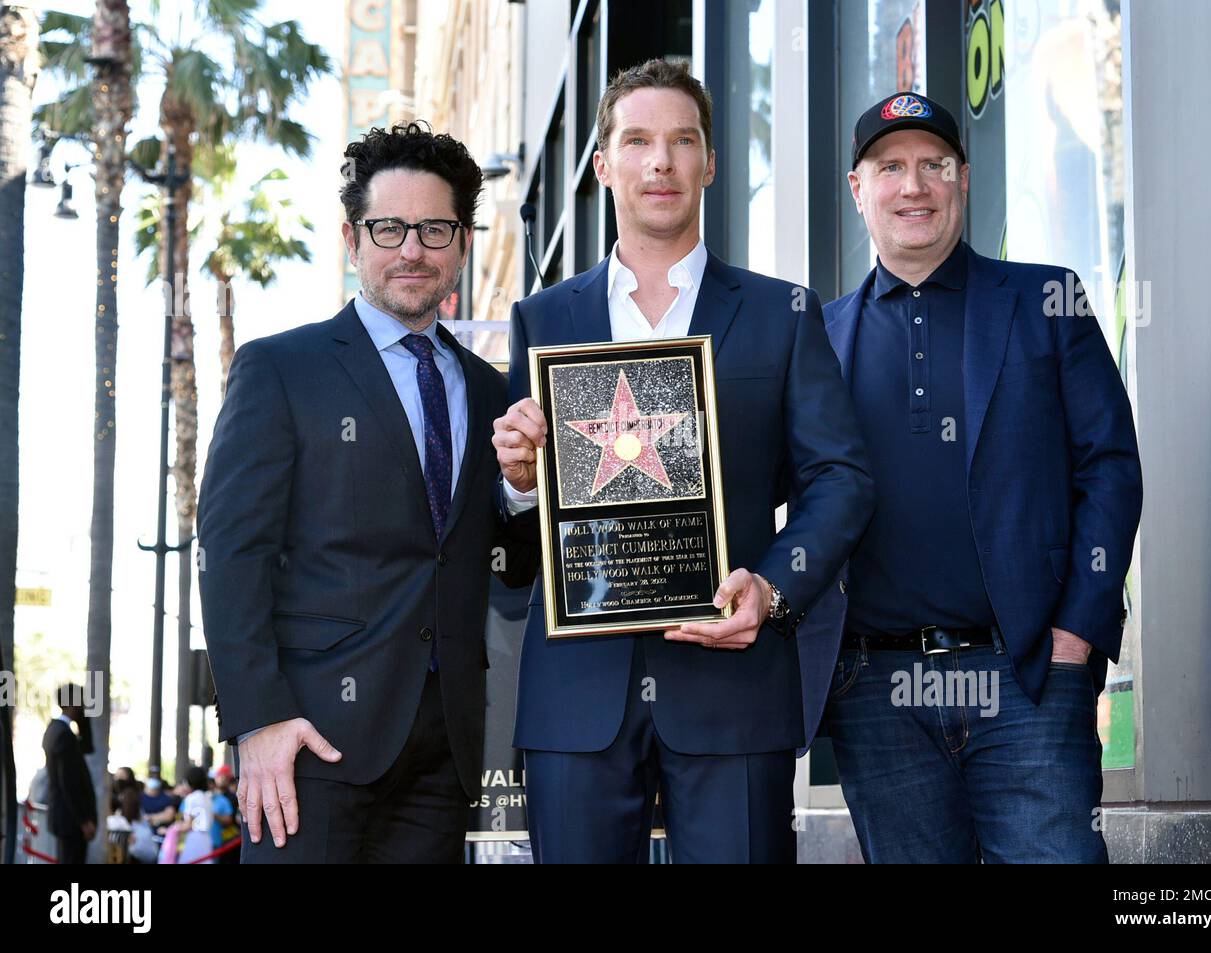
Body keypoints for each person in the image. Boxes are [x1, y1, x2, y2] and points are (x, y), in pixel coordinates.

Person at [493, 59, 874, 863]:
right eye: (637, 141)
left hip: (733, 682)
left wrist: (773, 587)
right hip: (576, 688)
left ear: (708, 163)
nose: (659, 161)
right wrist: (521, 484)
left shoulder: (782, 312)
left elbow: (839, 478)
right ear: (603, 166)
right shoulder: (543, 319)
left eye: (681, 141)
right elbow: (506, 536)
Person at [801, 92, 1143, 862]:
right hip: (877, 691)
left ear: (962, 179)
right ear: (859, 190)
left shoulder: (1044, 301)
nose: (913, 185)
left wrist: (1076, 635)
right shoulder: (816, 337)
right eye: (890, 167)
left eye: (934, 165)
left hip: (1026, 676)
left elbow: (1111, 468)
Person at [198, 120, 540, 863]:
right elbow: (231, 552)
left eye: (434, 228)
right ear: (352, 241)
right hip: (309, 743)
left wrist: (521, 492)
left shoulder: (494, 393)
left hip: (445, 752)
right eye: (389, 228)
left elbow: (509, 562)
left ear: (463, 245)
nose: (412, 249)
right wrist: (258, 720)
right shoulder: (281, 369)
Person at [40, 684, 97, 864]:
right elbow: (69, 782)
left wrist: (83, 721)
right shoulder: (63, 735)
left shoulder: (56, 730)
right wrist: (84, 820)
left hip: (67, 818)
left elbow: (87, 748)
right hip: (71, 820)